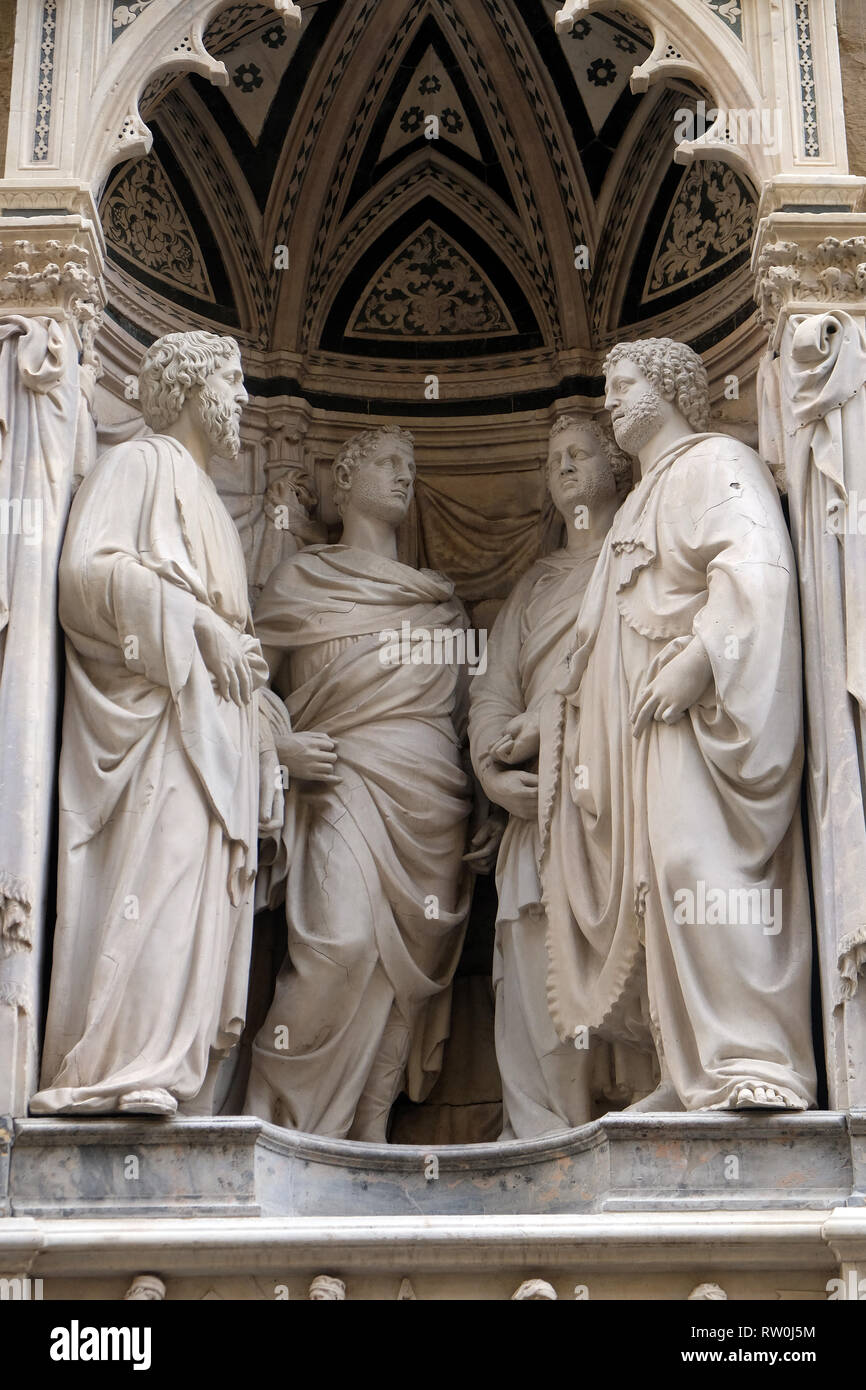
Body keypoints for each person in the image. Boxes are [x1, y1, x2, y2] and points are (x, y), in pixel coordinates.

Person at [540, 338, 817, 1112]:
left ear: (666, 387)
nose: (611, 400)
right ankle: (689, 1068)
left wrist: (700, 660)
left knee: (700, 868)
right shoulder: (632, 503)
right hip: (648, 728)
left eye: (622, 384)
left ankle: (755, 1056)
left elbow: (756, 568)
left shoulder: (714, 464)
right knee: (662, 884)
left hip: (700, 713)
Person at [31, 332, 279, 1117]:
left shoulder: (209, 497)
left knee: (201, 902)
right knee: (156, 884)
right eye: (231, 380)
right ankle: (116, 1065)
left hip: (219, 732)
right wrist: (194, 625)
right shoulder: (138, 464)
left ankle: (175, 1075)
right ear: (189, 383)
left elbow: (238, 641)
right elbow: (84, 578)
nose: (243, 397)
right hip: (159, 726)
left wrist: (268, 736)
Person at [244, 425, 498, 1140]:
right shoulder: (302, 581)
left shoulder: (439, 603)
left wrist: (485, 801)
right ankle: (280, 1125)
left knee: (405, 984)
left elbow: (466, 715)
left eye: (410, 466)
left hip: (433, 796)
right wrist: (278, 747)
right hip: (343, 780)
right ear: (345, 479)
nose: (402, 476)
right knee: (342, 945)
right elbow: (239, 683)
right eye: (386, 462)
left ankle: (369, 1133)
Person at [469, 413, 653, 1138]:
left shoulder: (639, 555)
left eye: (579, 453)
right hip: (532, 806)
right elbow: (492, 689)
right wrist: (490, 772)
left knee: (628, 949)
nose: (564, 468)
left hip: (614, 783)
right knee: (533, 953)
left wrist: (556, 723)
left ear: (616, 465)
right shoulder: (536, 584)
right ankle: (546, 1136)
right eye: (553, 459)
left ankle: (632, 1122)